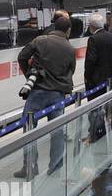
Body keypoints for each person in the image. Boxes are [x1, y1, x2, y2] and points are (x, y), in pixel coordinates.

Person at [15, 14, 75, 178]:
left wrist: (29, 76)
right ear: (68, 30)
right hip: (57, 95)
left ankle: (30, 167)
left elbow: (22, 56)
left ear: (54, 26)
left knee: (29, 129)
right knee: (57, 132)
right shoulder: (70, 48)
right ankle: (55, 167)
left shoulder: (40, 40)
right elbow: (71, 70)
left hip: (37, 92)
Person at [83, 12, 112, 93]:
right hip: (111, 77)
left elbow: (91, 60)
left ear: (91, 26)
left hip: (97, 80)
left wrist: (87, 76)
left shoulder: (93, 39)